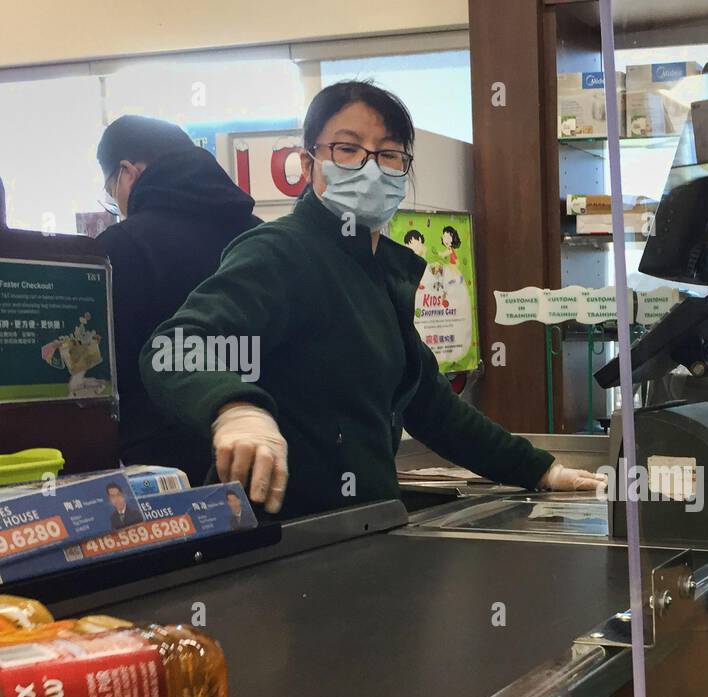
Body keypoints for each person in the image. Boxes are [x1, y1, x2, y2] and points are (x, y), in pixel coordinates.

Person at [138, 81, 600, 518]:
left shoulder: (377, 270)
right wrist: (236, 410)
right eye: (347, 148)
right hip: (285, 540)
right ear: (308, 161)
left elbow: (434, 409)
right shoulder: (280, 250)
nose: (370, 166)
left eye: (388, 154)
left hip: (364, 529)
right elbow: (174, 347)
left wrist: (541, 470)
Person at [95, 116, 260, 484]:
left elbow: (103, 381)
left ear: (126, 172)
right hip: (262, 462)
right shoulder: (262, 237)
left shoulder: (118, 248)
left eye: (110, 190)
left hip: (157, 481)